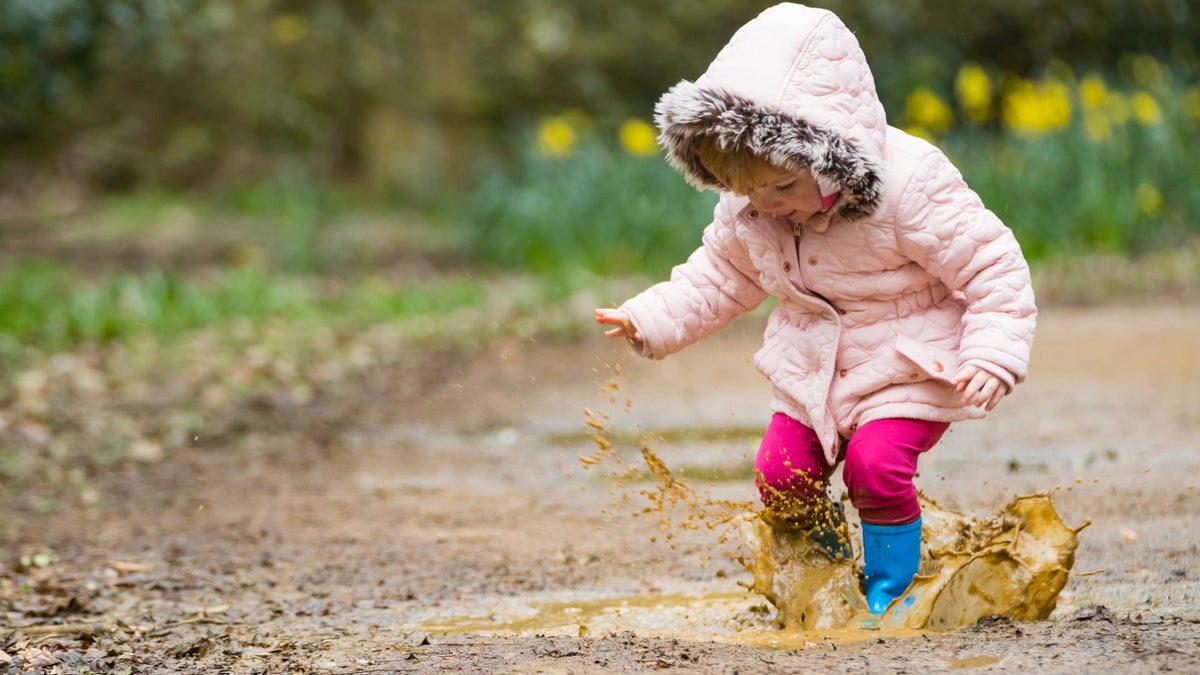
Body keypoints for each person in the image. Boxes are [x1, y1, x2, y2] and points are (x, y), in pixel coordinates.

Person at [594, 3, 1036, 618]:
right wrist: (651, 317)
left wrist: (992, 353)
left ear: (833, 157)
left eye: (782, 188)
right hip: (815, 371)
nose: (766, 205)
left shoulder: (911, 188)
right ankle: (823, 582)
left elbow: (993, 265)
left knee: (875, 468)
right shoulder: (753, 207)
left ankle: (892, 589)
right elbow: (719, 274)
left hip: (909, 362)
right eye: (747, 189)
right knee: (780, 476)